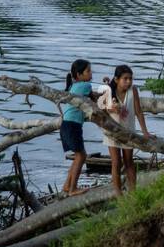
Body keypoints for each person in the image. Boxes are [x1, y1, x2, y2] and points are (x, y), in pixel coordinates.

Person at [98, 64, 151, 195]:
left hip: (128, 131)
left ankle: (133, 192)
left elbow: (138, 111)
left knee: (129, 161)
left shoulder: (133, 91)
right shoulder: (109, 91)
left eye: (130, 79)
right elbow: (99, 107)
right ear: (116, 79)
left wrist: (145, 132)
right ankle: (118, 194)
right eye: (125, 79)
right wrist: (110, 108)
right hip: (112, 132)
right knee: (116, 162)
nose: (128, 81)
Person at [61, 59, 97, 196]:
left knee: (79, 156)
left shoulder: (74, 86)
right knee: (81, 156)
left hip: (66, 124)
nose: (91, 73)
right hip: (73, 126)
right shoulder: (85, 85)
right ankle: (72, 189)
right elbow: (94, 100)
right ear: (79, 74)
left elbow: (91, 97)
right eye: (88, 71)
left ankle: (67, 186)